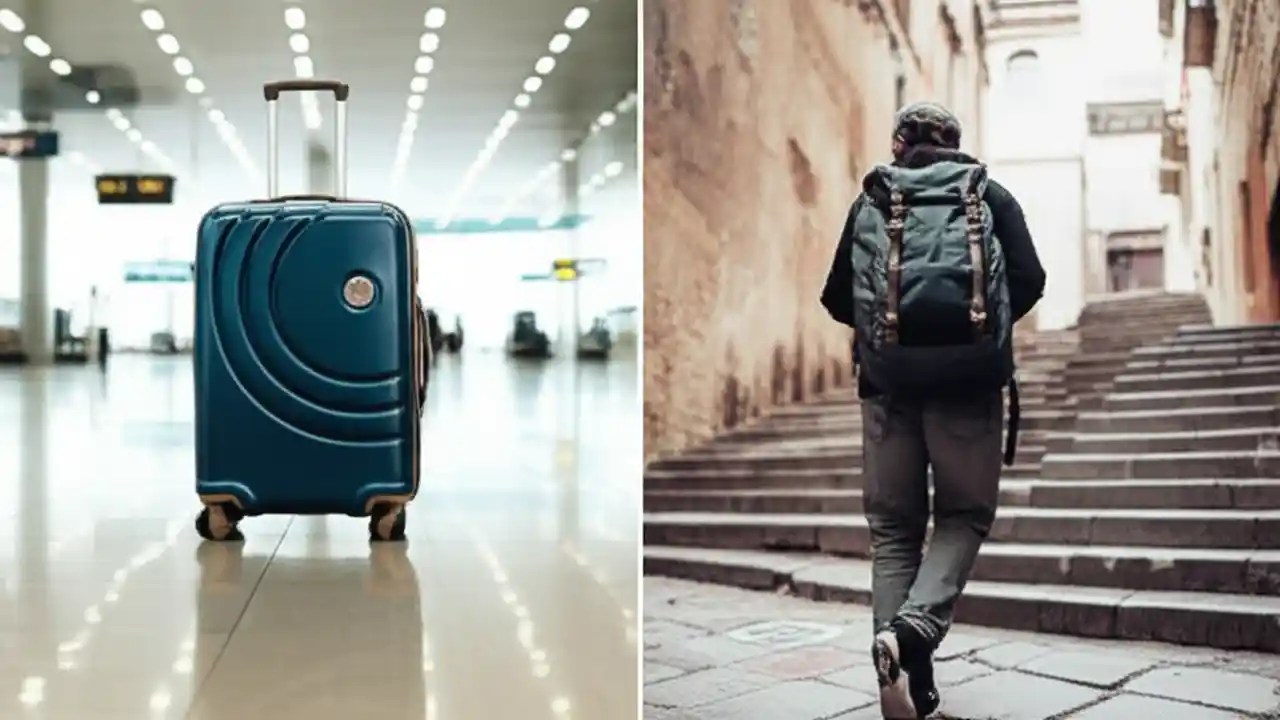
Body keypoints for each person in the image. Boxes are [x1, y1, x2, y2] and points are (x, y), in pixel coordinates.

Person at [820, 101, 1046, 719]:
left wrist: (891, 332)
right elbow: (1030, 278)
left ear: (897, 143)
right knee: (965, 515)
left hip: (889, 387)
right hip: (970, 386)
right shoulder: (989, 195)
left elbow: (838, 297)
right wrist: (977, 331)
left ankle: (906, 683)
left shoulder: (871, 200)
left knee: (893, 532)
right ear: (956, 143)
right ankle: (914, 633)